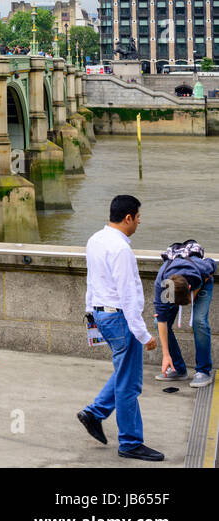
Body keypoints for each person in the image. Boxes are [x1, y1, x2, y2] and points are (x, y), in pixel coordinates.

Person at [76, 194, 163, 461]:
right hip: (121, 319)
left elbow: (92, 281)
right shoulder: (122, 250)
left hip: (102, 314)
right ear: (127, 218)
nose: (139, 222)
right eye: (137, 217)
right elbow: (128, 297)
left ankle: (94, 412)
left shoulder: (95, 239)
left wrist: (91, 314)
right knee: (130, 384)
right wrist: (144, 334)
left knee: (123, 372)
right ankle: (130, 442)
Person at [153, 240, 215, 387]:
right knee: (158, 322)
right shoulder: (162, 284)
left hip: (201, 282)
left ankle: (203, 371)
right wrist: (165, 355)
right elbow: (161, 320)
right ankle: (178, 368)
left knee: (199, 321)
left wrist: (193, 294)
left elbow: (212, 265)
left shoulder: (201, 268)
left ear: (189, 287)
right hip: (177, 288)